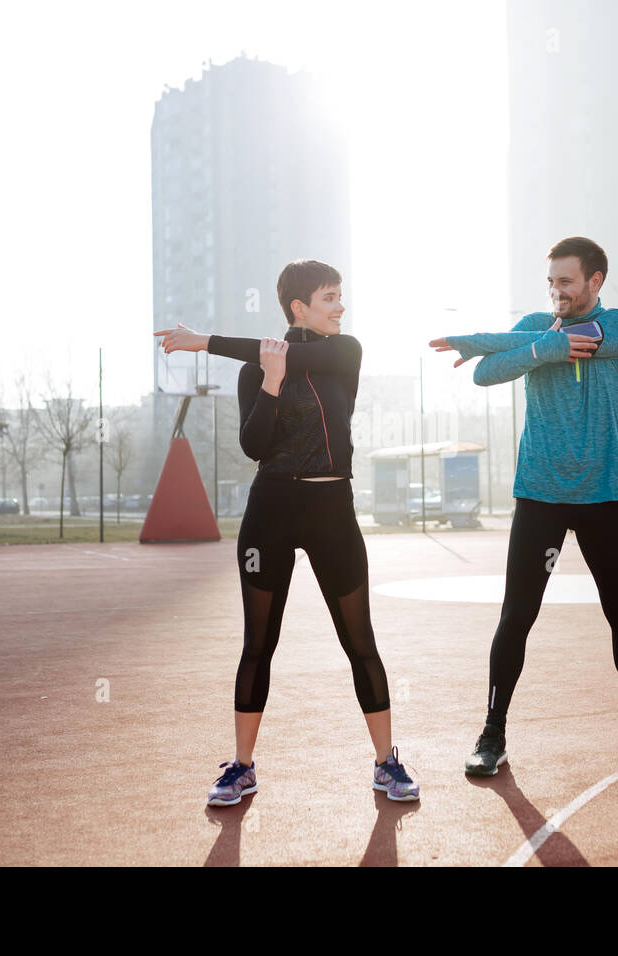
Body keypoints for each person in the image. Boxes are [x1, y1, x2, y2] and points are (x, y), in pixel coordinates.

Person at [154, 259, 419, 804]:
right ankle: (242, 766)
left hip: (331, 508)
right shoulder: (257, 369)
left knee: (359, 640)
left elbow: (296, 354)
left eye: (340, 296)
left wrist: (203, 341)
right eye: (329, 298)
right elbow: (254, 446)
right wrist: (271, 383)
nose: (340, 307)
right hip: (271, 508)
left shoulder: (344, 352)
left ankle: (386, 763)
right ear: (299, 307)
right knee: (258, 644)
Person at [430, 236, 618, 775]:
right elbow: (483, 374)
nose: (556, 292)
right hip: (540, 495)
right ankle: (492, 734)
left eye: (566, 282)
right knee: (516, 616)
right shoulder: (535, 323)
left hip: (602, 495)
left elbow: (547, 345)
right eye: (550, 282)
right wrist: (530, 347)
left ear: (595, 282)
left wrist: (488, 340)